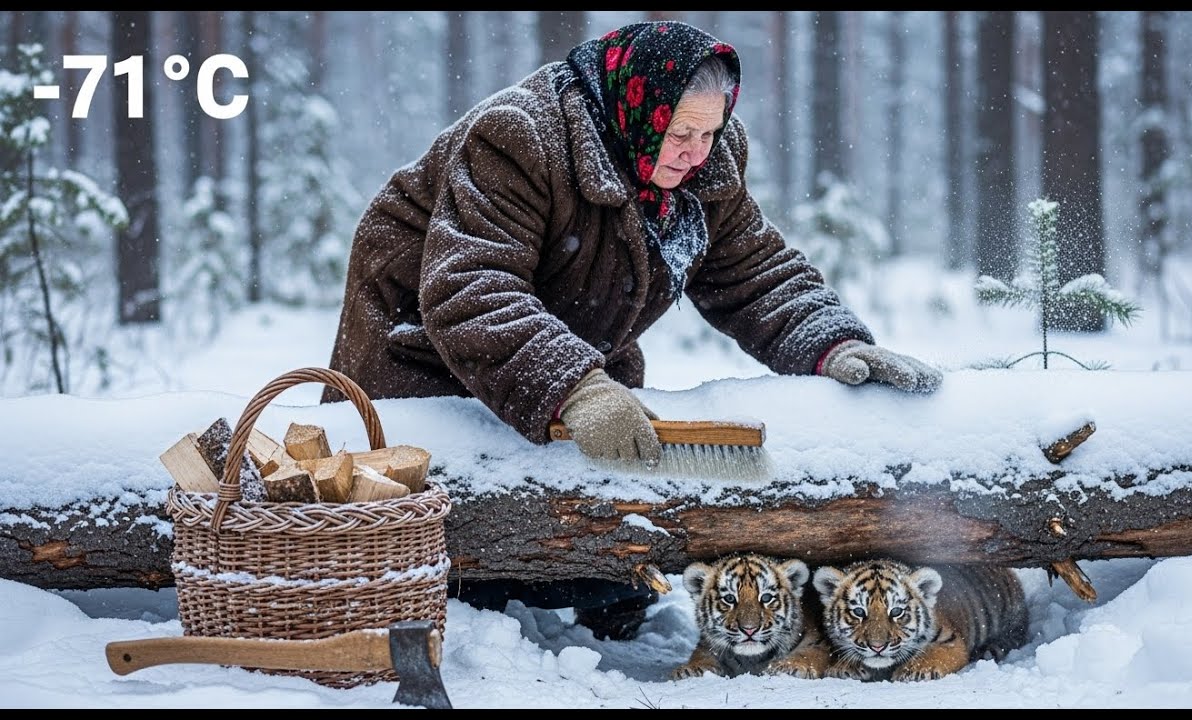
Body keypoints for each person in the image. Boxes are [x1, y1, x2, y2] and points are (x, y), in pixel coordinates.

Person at [322, 21, 943, 639]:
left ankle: (603, 595)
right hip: (425, 358)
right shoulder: (519, 135)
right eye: (681, 134)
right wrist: (573, 387)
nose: (697, 152)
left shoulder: (708, 161)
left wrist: (832, 341)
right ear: (639, 109)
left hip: (574, 343)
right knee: (460, 555)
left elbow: (752, 270)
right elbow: (471, 289)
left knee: (612, 532)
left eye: (710, 132)